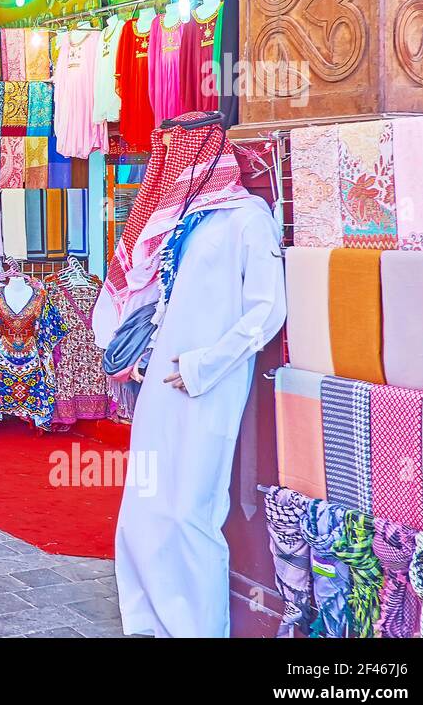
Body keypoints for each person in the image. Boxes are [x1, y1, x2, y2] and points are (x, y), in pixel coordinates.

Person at [91, 112, 286, 638]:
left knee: (189, 514)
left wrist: (204, 364)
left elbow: (267, 312)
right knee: (144, 509)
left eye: (175, 150)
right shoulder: (182, 221)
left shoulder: (249, 218)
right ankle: (149, 621)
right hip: (159, 384)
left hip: (209, 388)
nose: (165, 164)